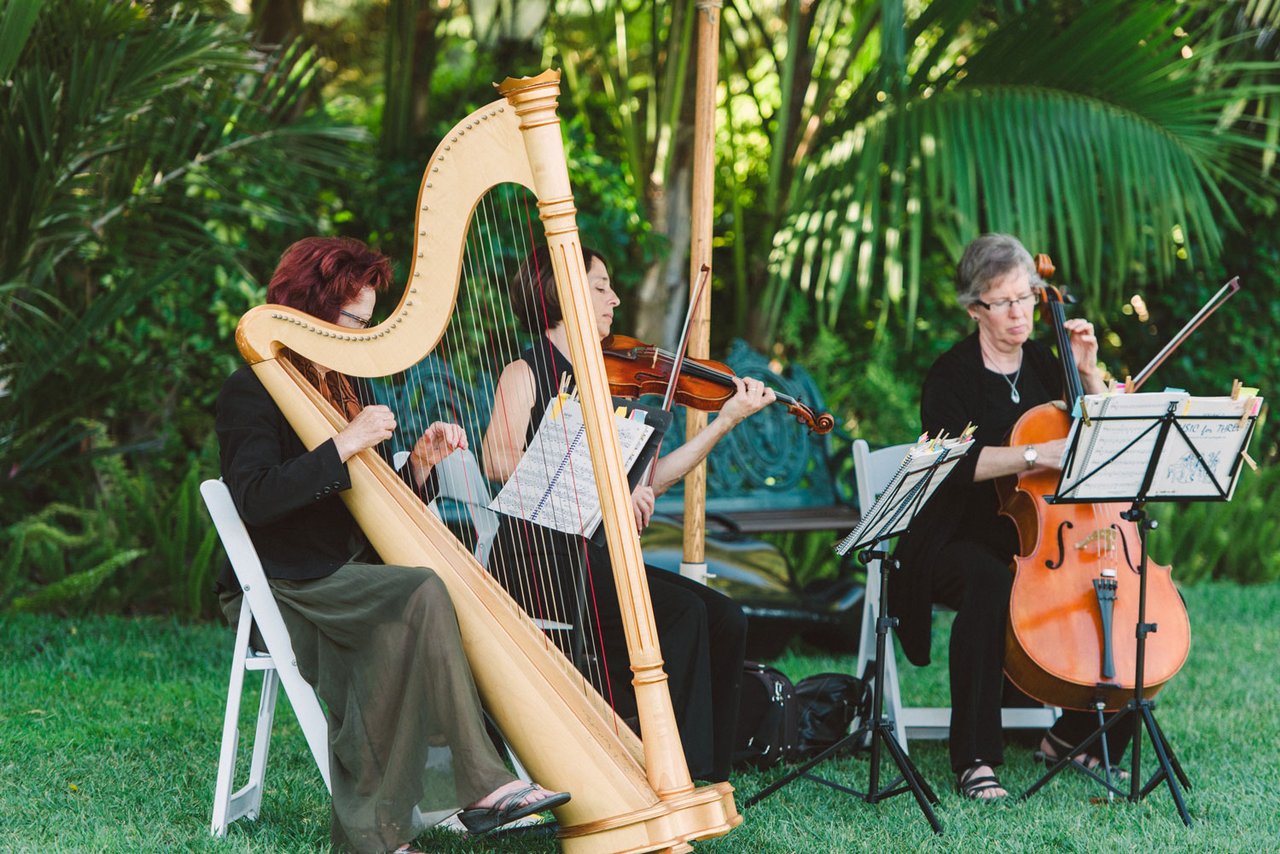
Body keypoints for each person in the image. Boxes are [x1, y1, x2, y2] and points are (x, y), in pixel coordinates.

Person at [214, 236, 569, 853]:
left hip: (343, 581)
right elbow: (255, 499)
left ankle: (380, 839)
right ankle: (482, 785)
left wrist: (421, 470)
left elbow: (363, 512)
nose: (362, 335)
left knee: (407, 621)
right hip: (285, 588)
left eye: (369, 324)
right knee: (423, 590)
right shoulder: (252, 391)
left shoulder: (341, 389)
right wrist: (345, 444)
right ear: (307, 309)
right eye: (354, 320)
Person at [480, 245, 771, 783]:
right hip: (537, 561)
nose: (614, 298)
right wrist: (608, 490)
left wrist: (725, 420)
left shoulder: (606, 382)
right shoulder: (525, 371)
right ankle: (673, 773)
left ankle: (709, 769)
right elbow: (499, 461)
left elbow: (651, 479)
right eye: (599, 287)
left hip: (593, 558)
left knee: (726, 616)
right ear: (560, 293)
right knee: (681, 615)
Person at [889, 233, 1131, 800]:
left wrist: (1089, 374)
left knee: (1119, 586)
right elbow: (949, 463)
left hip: (1047, 533)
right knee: (989, 579)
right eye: (1005, 302)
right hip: (958, 533)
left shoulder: (1050, 363)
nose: (1022, 312)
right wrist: (1032, 454)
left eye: (1028, 297)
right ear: (976, 308)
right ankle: (975, 757)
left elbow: (1103, 437)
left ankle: (1077, 738)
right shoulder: (950, 375)